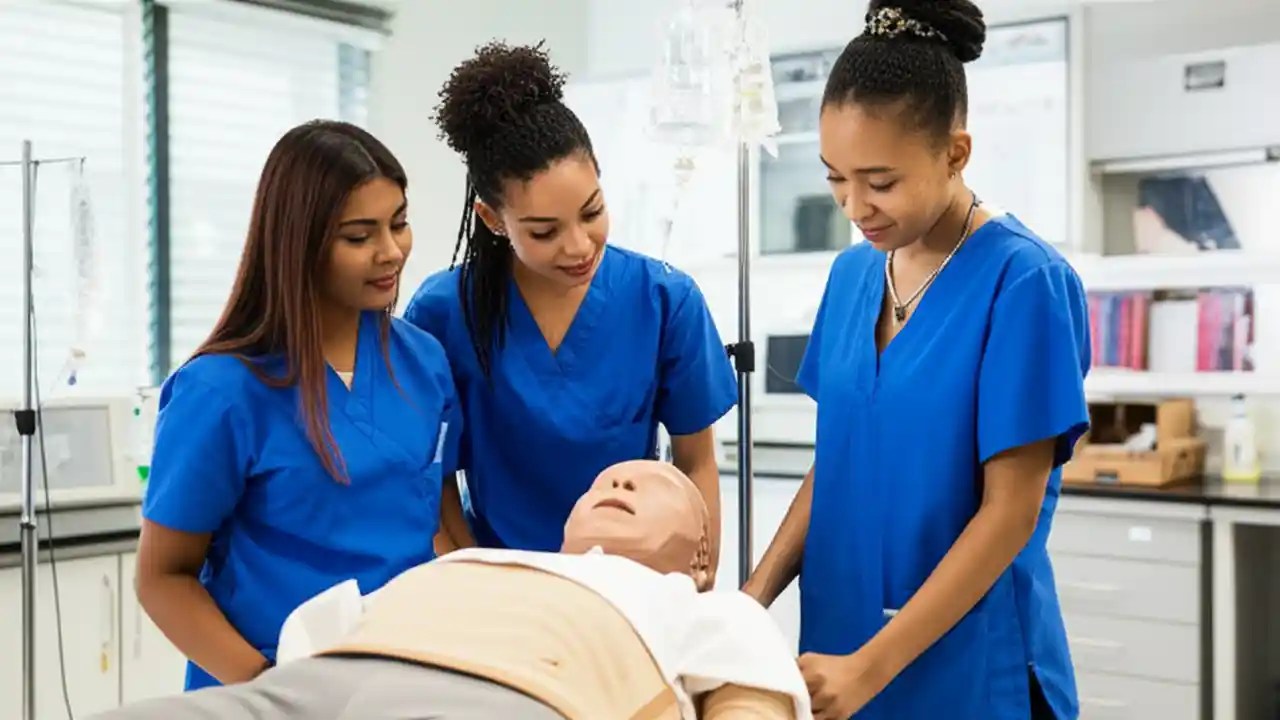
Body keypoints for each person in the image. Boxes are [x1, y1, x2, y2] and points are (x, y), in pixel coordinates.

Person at [742, 3, 1091, 719]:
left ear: (955, 153)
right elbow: (835, 460)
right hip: (838, 646)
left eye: (881, 181)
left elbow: (1010, 514)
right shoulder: (851, 276)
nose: (854, 206)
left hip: (965, 662)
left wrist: (873, 666)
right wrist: (751, 602)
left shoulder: (1021, 283)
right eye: (836, 177)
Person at [92, 461, 810, 720]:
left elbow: (752, 696)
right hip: (317, 681)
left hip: (513, 693)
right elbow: (317, 634)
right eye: (601, 483)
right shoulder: (478, 563)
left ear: (703, 557)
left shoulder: (700, 605)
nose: (618, 482)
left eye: (647, 484)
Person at [135, 120, 461, 691]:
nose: (391, 252)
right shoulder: (221, 392)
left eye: (399, 223)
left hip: (403, 680)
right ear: (299, 242)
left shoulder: (423, 362)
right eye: (359, 237)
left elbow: (431, 523)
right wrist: (270, 687)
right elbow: (163, 578)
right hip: (270, 689)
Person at [403, 42, 736, 571]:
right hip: (499, 578)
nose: (579, 246)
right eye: (544, 231)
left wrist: (694, 583)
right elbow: (434, 479)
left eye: (592, 211)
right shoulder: (444, 313)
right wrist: (483, 582)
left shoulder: (664, 299)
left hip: (631, 583)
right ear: (493, 220)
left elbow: (696, 466)